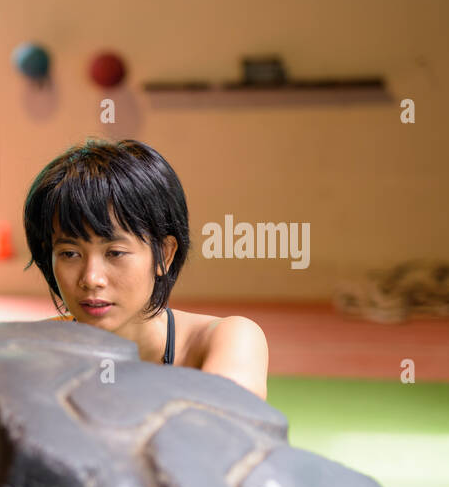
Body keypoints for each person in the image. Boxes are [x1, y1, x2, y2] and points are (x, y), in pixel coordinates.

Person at [22, 138, 269, 400]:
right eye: (70, 253)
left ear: (164, 254)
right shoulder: (34, 347)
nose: (91, 279)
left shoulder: (226, 339)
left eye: (115, 253)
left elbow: (226, 426)